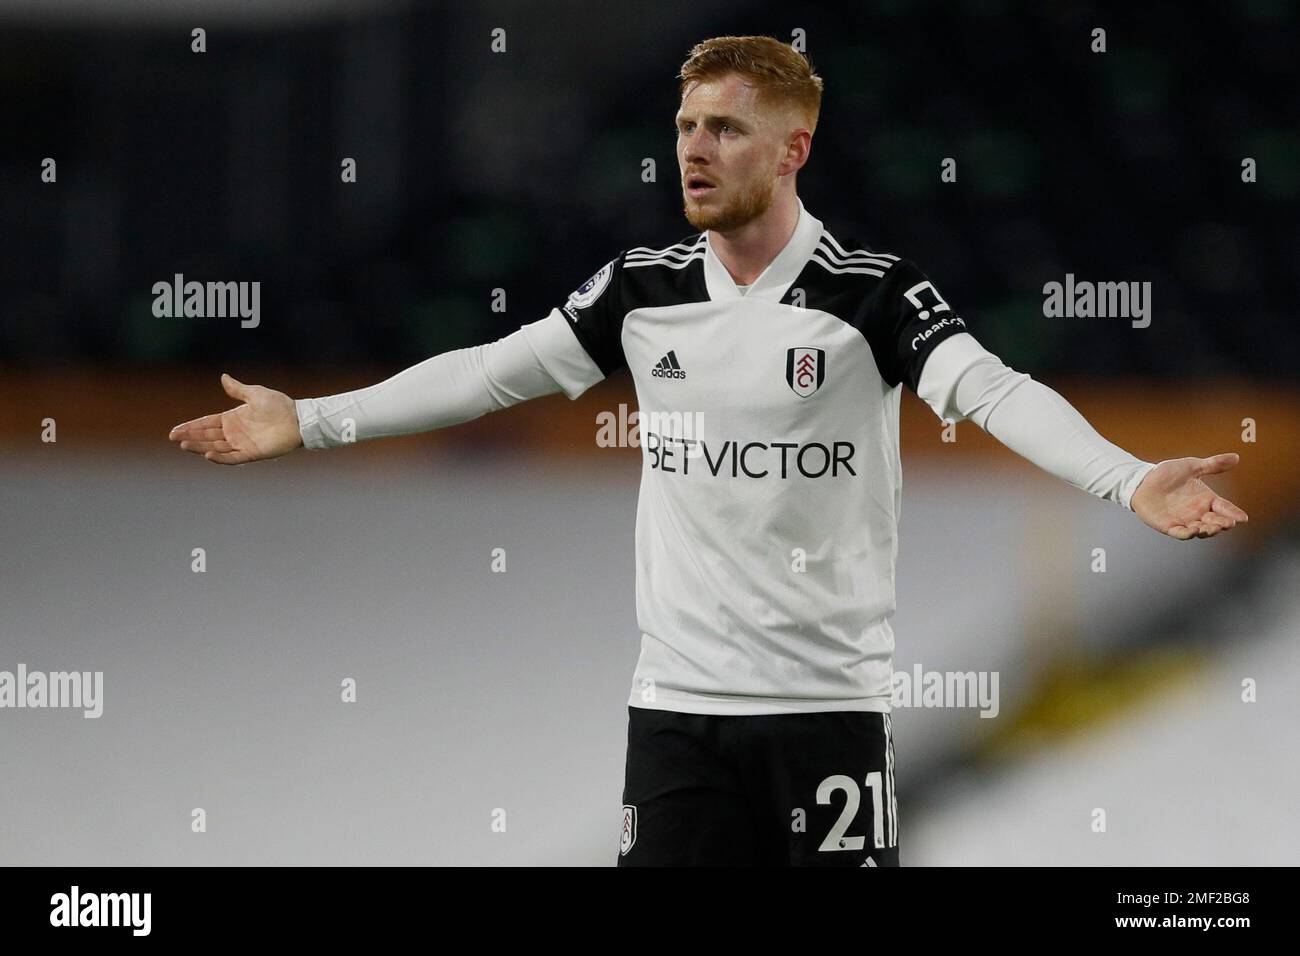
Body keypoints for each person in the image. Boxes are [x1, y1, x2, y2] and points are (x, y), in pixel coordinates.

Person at [169, 35, 1248, 866]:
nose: (692, 148)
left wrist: (1129, 474)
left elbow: (992, 390)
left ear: (793, 148)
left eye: (726, 128)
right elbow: (490, 370)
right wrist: (311, 418)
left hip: (825, 711)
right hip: (678, 713)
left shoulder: (870, 292)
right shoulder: (640, 288)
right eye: (685, 125)